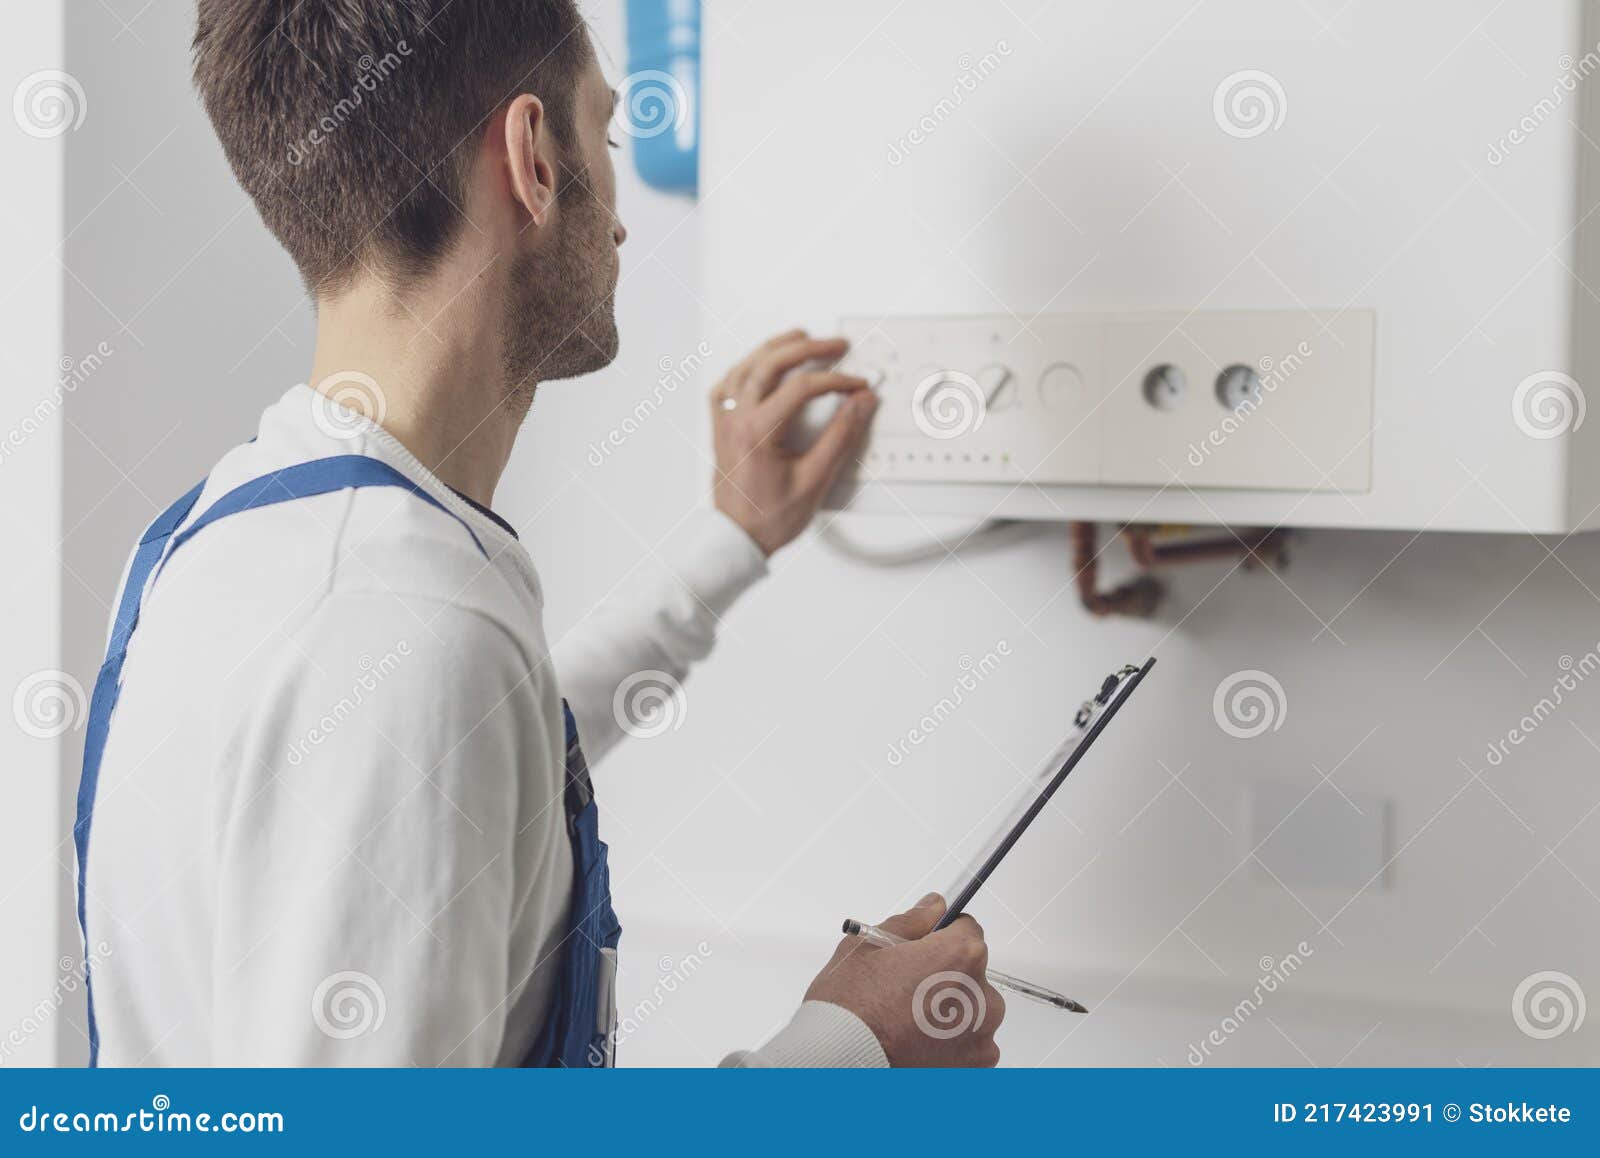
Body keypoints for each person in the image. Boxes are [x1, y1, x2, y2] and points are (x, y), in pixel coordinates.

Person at [72, 0, 1004, 1067]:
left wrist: (732, 542)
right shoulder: (404, 631)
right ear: (532, 158)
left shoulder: (224, 542)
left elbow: (494, 755)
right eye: (604, 134)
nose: (617, 221)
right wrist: (852, 1049)